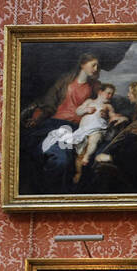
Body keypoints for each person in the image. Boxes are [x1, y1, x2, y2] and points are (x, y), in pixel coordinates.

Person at [20, 53, 104, 193]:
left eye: (97, 66)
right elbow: (50, 104)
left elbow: (101, 105)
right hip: (54, 122)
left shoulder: (95, 87)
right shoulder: (65, 81)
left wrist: (101, 113)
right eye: (93, 64)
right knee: (31, 149)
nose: (96, 68)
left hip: (75, 128)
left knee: (62, 160)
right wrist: (37, 118)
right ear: (82, 64)